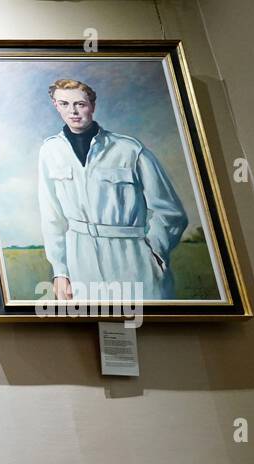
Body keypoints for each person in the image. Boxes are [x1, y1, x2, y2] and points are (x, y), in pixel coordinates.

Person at [38, 78, 188, 301]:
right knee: (93, 329)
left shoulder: (129, 149)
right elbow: (52, 217)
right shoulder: (50, 151)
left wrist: (154, 252)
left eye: (80, 104)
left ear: (93, 105)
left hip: (133, 257)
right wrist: (60, 271)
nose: (73, 112)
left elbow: (171, 212)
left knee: (152, 327)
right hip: (81, 260)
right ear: (55, 105)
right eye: (65, 104)